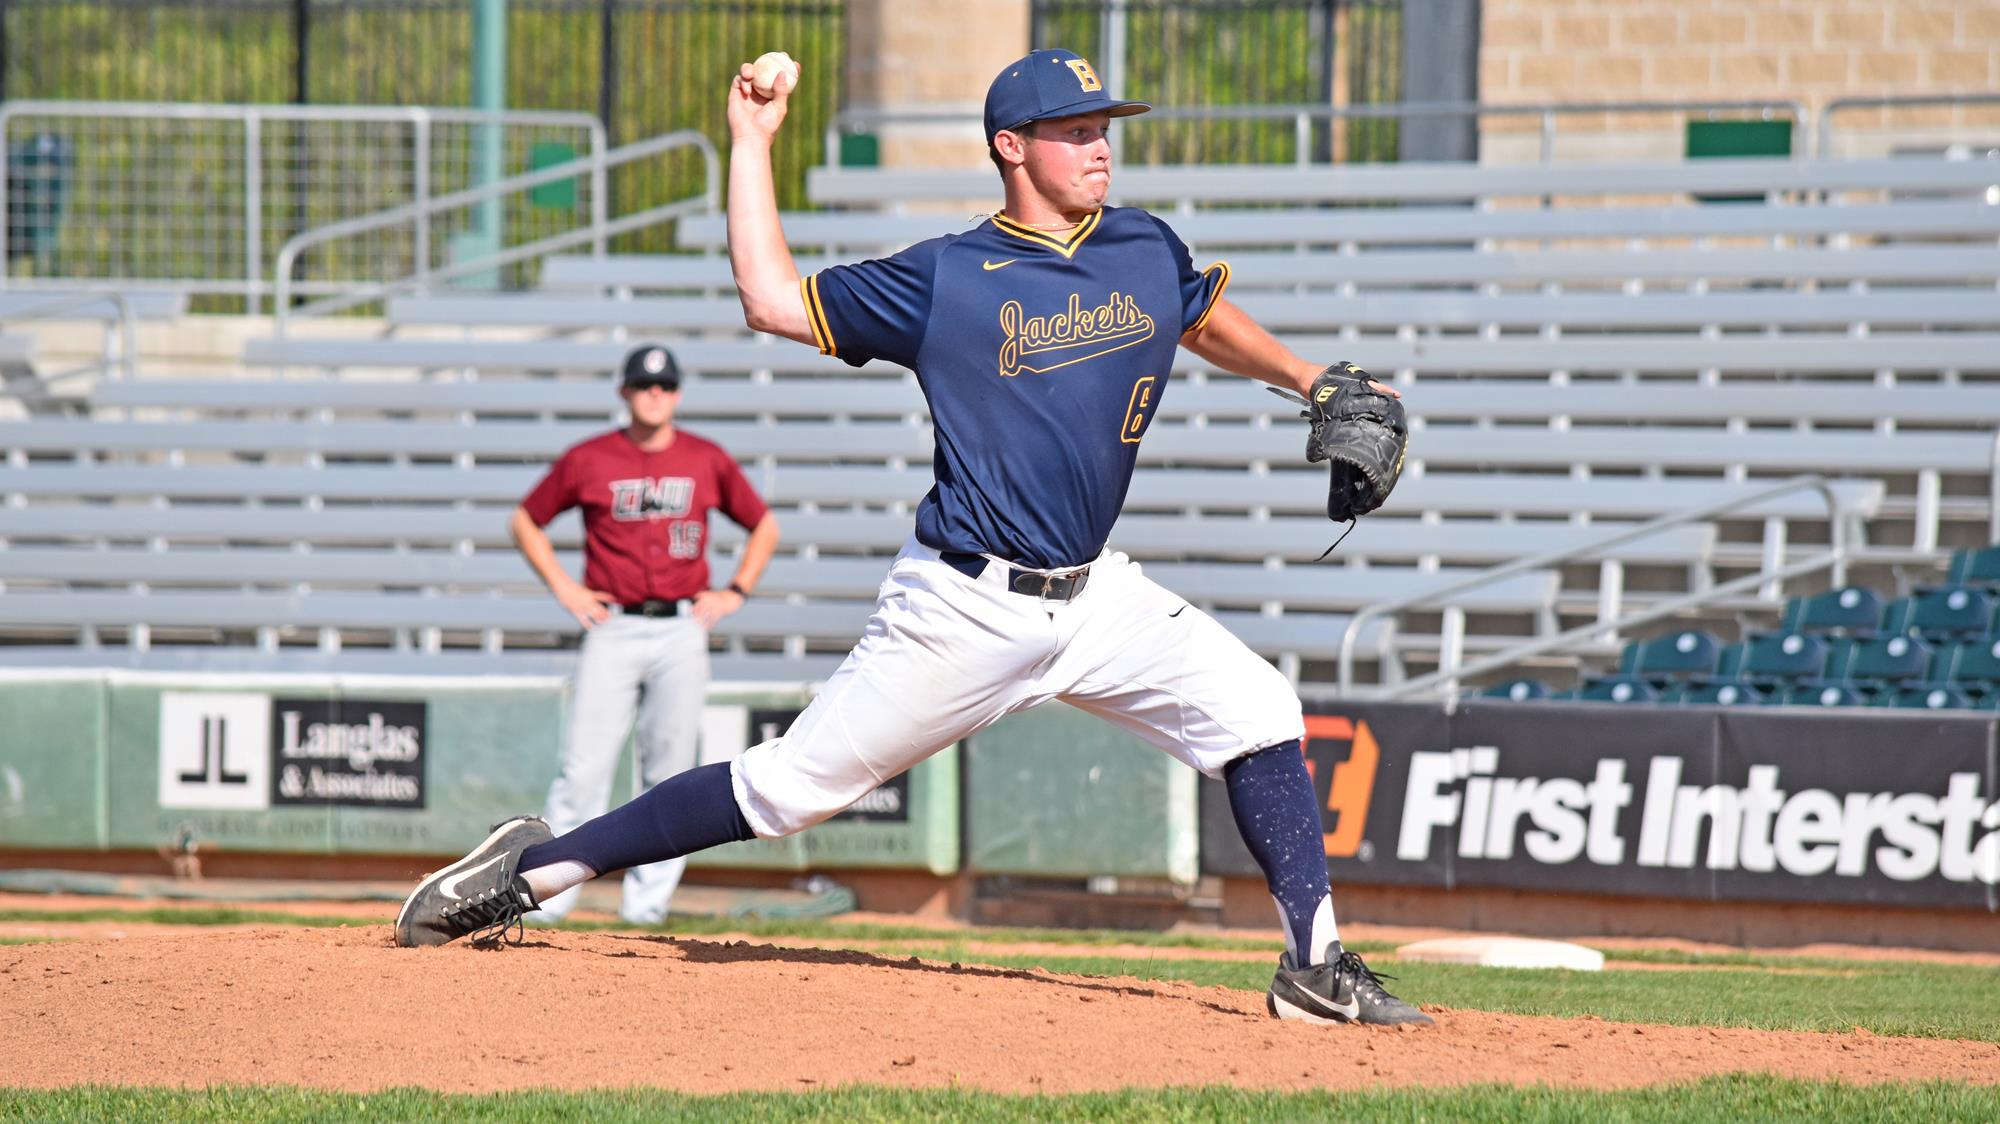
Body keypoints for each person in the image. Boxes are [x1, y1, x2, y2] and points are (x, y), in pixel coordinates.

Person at [396, 49, 1430, 1028]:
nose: (1099, 146)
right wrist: (751, 141)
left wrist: (1312, 379)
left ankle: (1312, 967)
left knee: (1258, 707)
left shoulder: (1141, 245)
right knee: (784, 790)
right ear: (1010, 146)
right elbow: (770, 300)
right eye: (1073, 130)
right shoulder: (949, 277)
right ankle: (536, 869)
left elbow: (1195, 315)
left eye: (1103, 127)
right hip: (964, 605)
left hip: (1095, 600)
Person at [506, 342, 780, 925]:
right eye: (644, 385)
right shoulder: (590, 457)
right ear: (625, 392)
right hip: (614, 625)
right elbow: (526, 519)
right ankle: (548, 900)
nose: (655, 394)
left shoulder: (705, 457)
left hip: (681, 626)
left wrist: (736, 590)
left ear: (677, 394)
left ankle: (646, 908)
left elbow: (764, 525)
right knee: (583, 769)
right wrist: (566, 589)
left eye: (665, 386)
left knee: (669, 773)